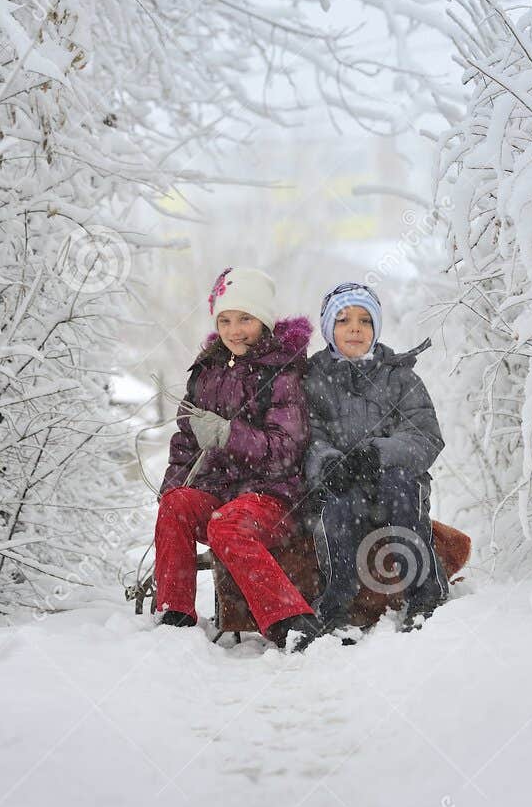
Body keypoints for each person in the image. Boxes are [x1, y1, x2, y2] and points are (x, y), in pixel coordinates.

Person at [154, 266, 321, 651]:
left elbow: (286, 448)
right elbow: (185, 441)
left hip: (272, 497)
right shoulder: (206, 371)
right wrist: (173, 486)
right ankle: (175, 614)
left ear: (263, 319)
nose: (235, 330)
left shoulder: (283, 372)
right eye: (225, 320)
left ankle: (290, 621)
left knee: (225, 526)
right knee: (176, 504)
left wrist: (231, 436)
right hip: (219, 492)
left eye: (245, 318)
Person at [304, 281, 448, 633]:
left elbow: (424, 435)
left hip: (392, 481)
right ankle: (336, 604)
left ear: (376, 328)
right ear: (327, 328)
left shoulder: (399, 377)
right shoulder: (311, 378)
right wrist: (327, 462)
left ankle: (424, 594)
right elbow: (307, 437)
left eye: (365, 320)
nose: (355, 328)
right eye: (343, 320)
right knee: (336, 506)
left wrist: (377, 455)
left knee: (400, 487)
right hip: (341, 483)